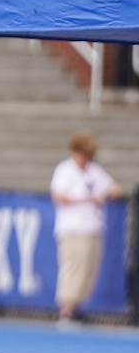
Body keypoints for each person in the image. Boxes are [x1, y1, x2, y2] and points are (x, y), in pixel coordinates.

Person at [50, 131, 123, 321]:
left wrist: (104, 196)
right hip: (73, 228)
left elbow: (115, 189)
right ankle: (66, 309)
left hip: (93, 228)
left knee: (89, 270)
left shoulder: (94, 171)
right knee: (75, 267)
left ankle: (77, 307)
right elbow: (59, 197)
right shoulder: (65, 170)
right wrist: (87, 200)